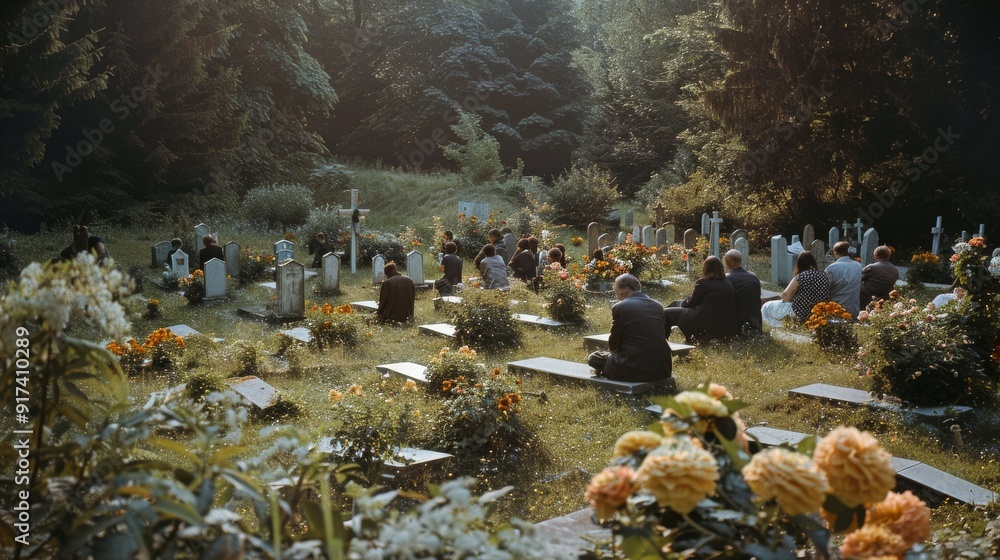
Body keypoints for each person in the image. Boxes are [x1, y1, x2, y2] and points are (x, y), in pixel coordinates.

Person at [587, 274, 672, 382]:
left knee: (594, 358)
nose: (615, 293)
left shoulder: (620, 307)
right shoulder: (658, 305)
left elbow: (613, 344)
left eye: (615, 288)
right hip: (662, 368)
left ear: (624, 289)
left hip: (634, 367)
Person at [663, 256, 738, 343]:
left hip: (703, 321)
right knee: (675, 306)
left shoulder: (703, 282)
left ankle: (664, 343)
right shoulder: (727, 283)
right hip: (723, 324)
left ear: (706, 268)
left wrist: (685, 301)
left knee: (665, 313)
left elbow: (689, 303)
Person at [761, 251, 830, 326]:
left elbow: (786, 296)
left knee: (767, 306)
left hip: (801, 312)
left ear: (799, 264)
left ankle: (775, 324)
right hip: (818, 312)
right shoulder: (824, 276)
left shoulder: (801, 276)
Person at [724, 249, 762, 336]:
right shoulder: (754, 277)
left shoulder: (726, 279)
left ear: (728, 262)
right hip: (756, 323)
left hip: (738, 324)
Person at [826, 241, 863, 318]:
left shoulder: (831, 268)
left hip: (835, 308)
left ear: (835, 252)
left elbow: (825, 288)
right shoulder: (858, 265)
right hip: (854, 308)